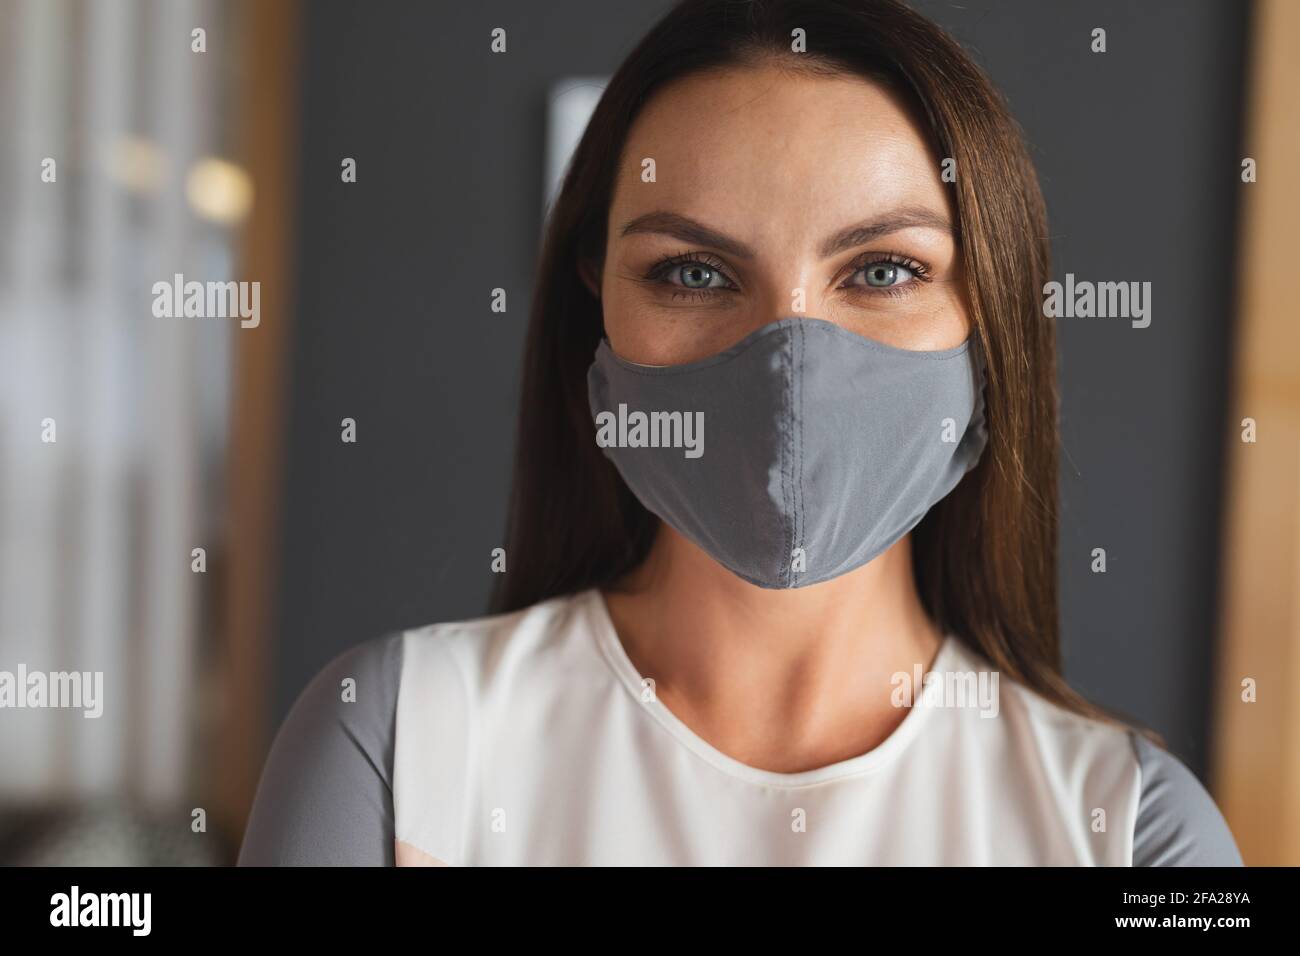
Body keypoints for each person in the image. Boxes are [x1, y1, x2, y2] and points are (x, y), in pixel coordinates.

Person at [239, 0, 1241, 866]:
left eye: (882, 269)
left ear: (989, 312)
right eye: (693, 271)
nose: (788, 361)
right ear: (599, 305)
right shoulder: (397, 740)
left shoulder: (1129, 828)